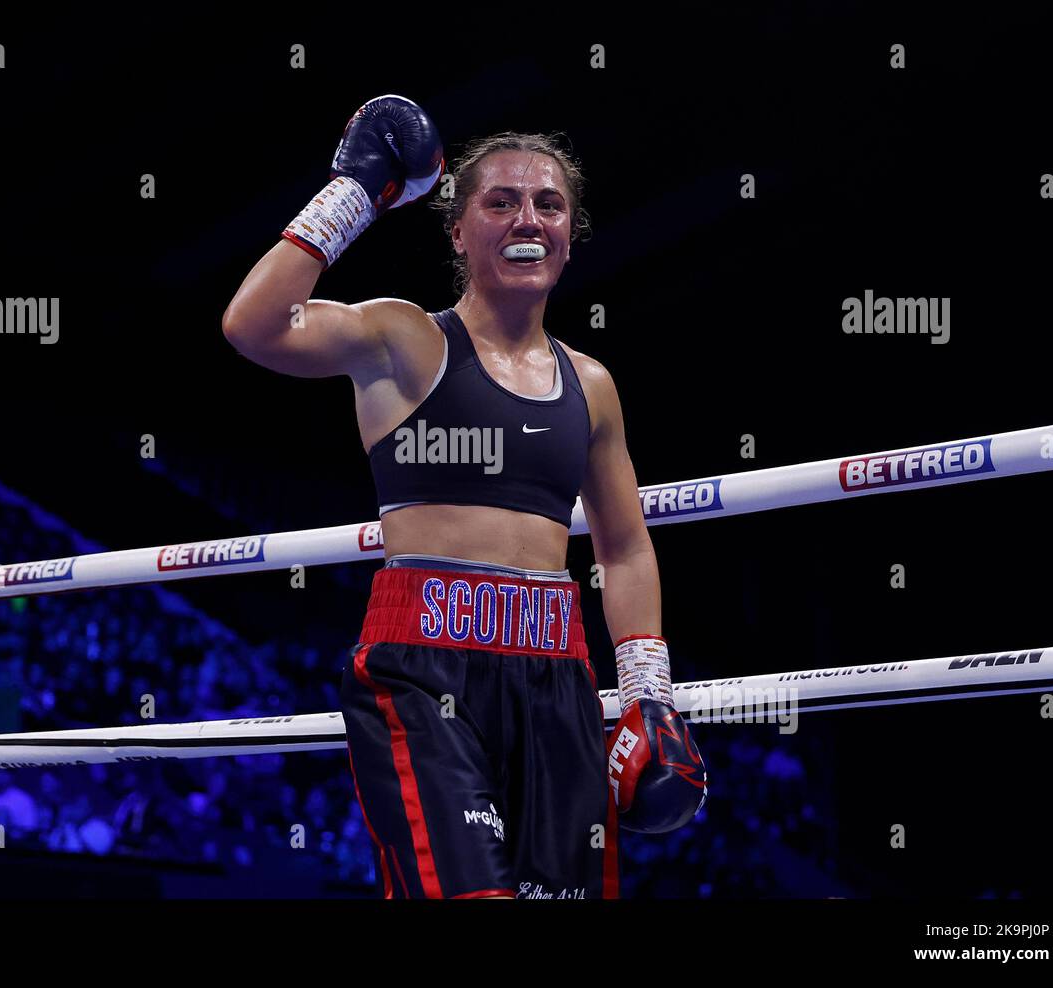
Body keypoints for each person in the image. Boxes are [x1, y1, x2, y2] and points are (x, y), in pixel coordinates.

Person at [222, 96, 705, 899]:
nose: (529, 216)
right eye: (501, 199)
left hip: (559, 678)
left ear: (570, 232)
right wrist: (353, 192)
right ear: (457, 230)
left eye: (549, 202)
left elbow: (624, 548)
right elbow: (256, 325)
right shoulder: (404, 339)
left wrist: (649, 693)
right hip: (424, 665)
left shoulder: (592, 384)